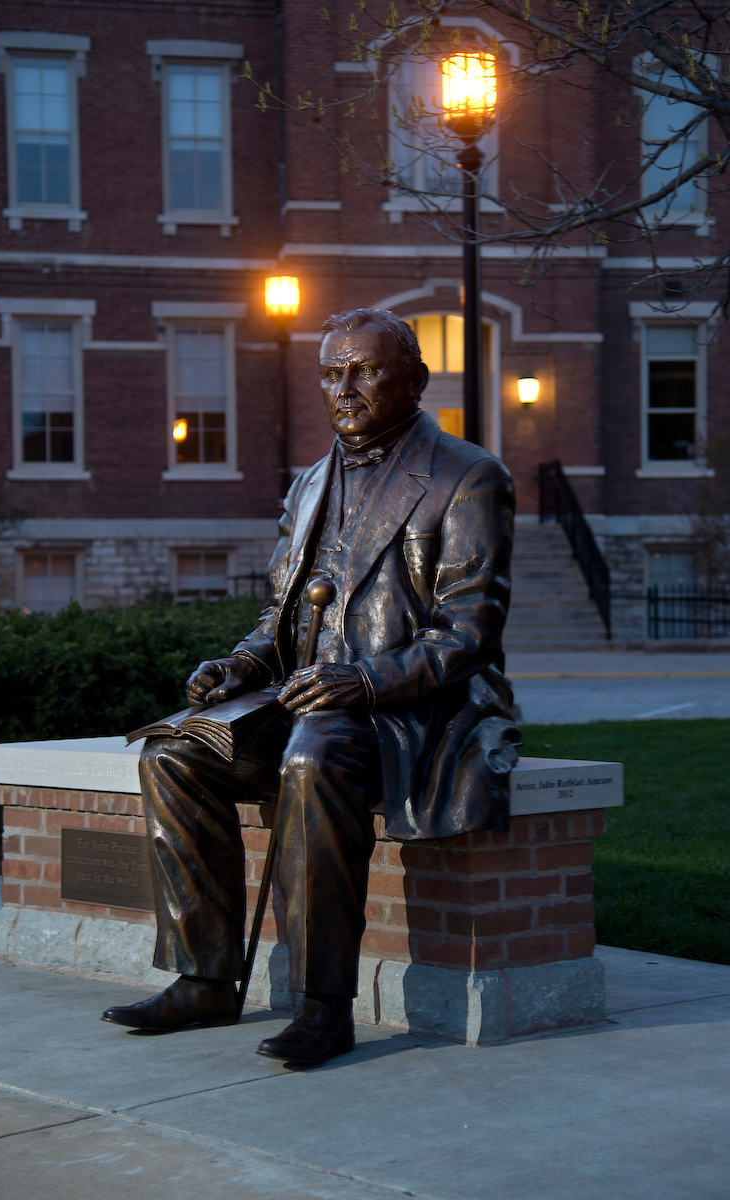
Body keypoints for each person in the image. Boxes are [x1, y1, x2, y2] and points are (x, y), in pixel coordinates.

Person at [102, 308, 520, 1064]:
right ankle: (204, 977)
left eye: (365, 370)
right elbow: (282, 614)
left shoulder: (466, 476)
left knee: (312, 758)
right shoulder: (309, 483)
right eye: (332, 373)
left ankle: (323, 1003)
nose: (345, 388)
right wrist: (241, 664)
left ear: (416, 381)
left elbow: (468, 634)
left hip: (408, 709)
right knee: (170, 755)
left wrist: (362, 680)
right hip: (305, 696)